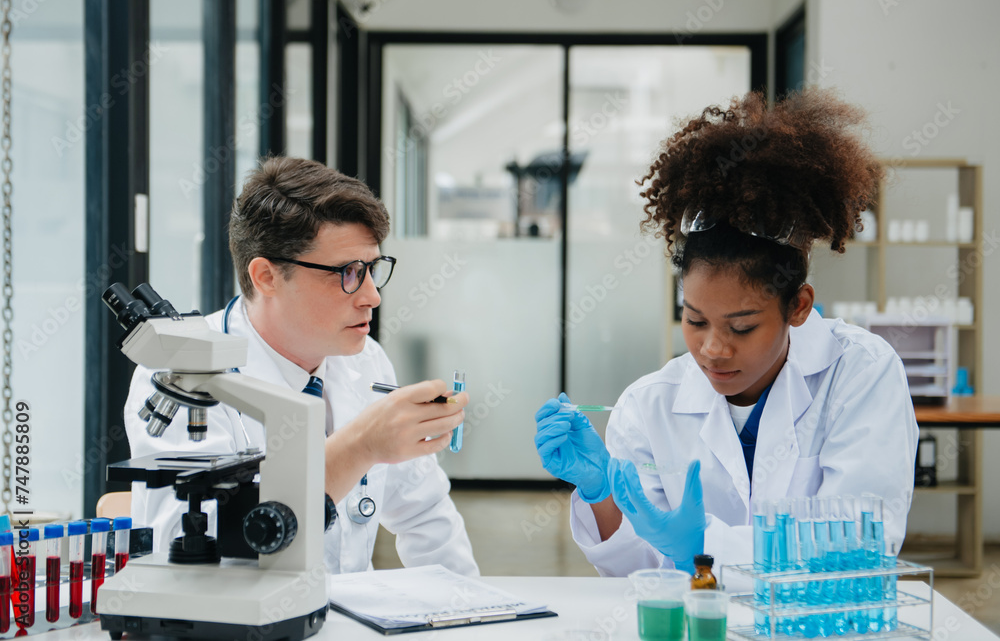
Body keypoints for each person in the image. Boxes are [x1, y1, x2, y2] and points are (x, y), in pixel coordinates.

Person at [534, 89, 918, 577]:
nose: (712, 349)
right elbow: (637, 573)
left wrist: (702, 544)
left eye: (742, 326)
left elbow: (861, 544)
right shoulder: (648, 406)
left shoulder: (860, 372)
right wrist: (601, 494)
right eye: (694, 320)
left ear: (798, 306)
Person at [123, 156, 478, 576]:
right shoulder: (183, 376)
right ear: (267, 277)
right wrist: (359, 447)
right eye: (348, 272)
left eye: (372, 270)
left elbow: (425, 514)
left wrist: (468, 607)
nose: (371, 297)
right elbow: (192, 557)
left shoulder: (366, 362)